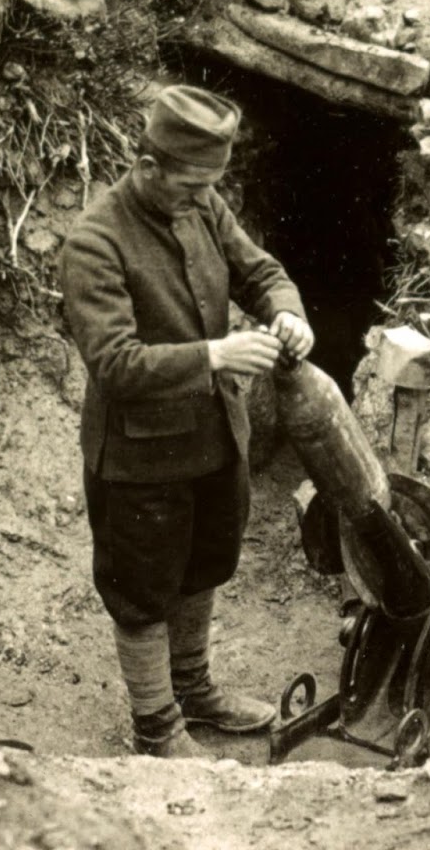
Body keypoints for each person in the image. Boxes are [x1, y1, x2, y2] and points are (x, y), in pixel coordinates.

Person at [60, 85, 314, 758]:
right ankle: (155, 726)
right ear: (148, 168)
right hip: (138, 458)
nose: (204, 197)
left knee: (203, 564)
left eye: (212, 184)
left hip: (212, 438)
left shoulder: (203, 204)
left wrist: (288, 312)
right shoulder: (95, 242)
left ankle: (194, 688)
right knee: (143, 588)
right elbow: (114, 363)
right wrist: (215, 354)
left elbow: (260, 272)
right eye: (193, 183)